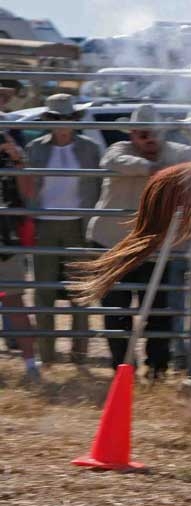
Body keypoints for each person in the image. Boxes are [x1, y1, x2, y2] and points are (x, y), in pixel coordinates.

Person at [86, 105, 191, 378]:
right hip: (115, 244)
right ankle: (123, 367)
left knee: (160, 310)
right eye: (144, 134)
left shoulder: (178, 153)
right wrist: (153, 168)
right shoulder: (119, 150)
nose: (150, 139)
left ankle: (157, 367)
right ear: (133, 134)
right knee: (116, 309)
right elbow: (115, 161)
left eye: (156, 133)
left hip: (156, 244)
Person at [25, 94, 102, 365]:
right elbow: (29, 186)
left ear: (75, 119)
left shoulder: (90, 148)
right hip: (44, 225)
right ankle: (46, 355)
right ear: (48, 120)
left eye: (68, 117)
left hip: (78, 226)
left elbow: (99, 186)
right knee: (43, 291)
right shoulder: (35, 148)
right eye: (57, 118)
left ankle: (79, 354)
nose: (63, 123)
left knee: (80, 290)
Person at [0, 125, 39, 381]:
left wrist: (17, 158)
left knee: (14, 301)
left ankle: (30, 365)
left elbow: (28, 192)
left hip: (5, 237)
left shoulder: (12, 158)